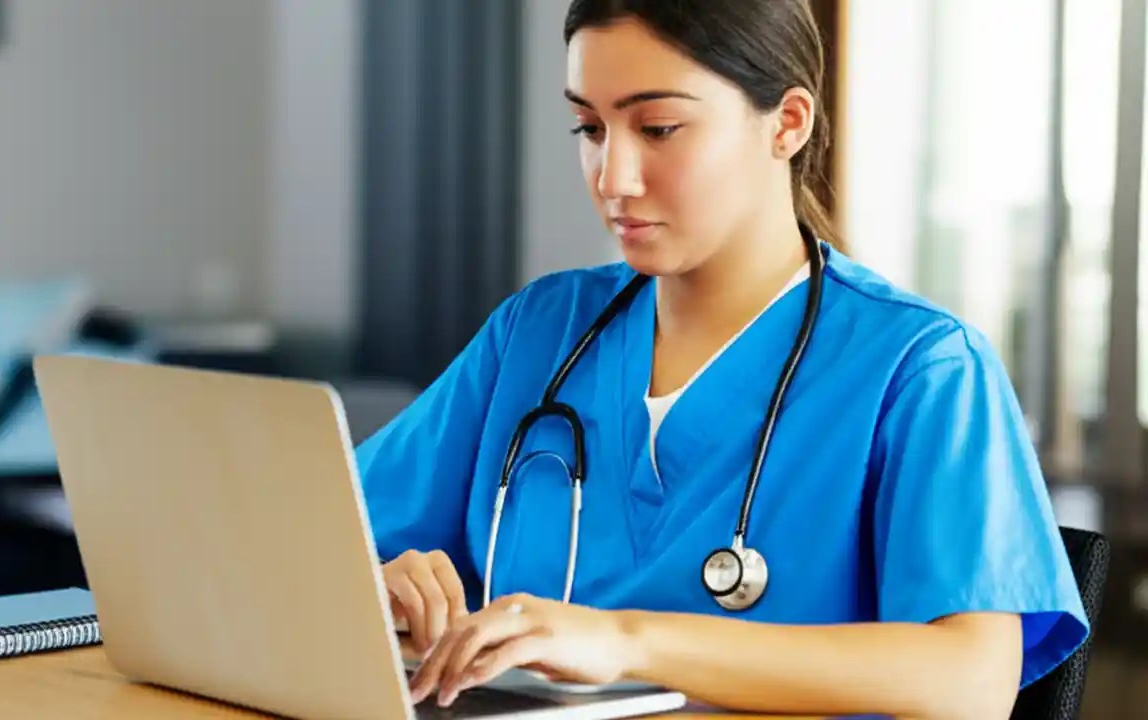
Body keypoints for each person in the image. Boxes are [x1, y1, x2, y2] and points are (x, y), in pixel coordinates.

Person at [355, 0, 1088, 716]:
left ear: (788, 124)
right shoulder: (537, 332)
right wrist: (375, 582)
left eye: (659, 127)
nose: (613, 177)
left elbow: (970, 682)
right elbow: (315, 539)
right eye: (589, 126)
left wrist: (627, 640)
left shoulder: (921, 368)